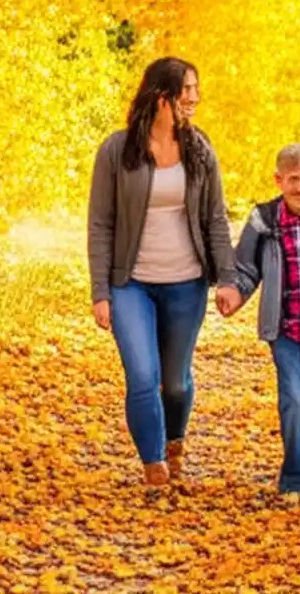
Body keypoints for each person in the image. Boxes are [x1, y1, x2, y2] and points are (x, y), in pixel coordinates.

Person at [87, 56, 241, 487]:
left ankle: (175, 442)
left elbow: (215, 219)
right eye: (185, 89)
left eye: (195, 88)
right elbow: (101, 223)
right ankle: (153, 466)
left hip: (185, 283)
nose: (194, 98)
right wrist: (101, 290)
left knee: (174, 382)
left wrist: (226, 278)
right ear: (160, 96)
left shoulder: (200, 149)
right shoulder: (117, 151)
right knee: (142, 376)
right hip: (130, 284)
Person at [224, 144, 300, 503]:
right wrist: (235, 292)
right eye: (293, 180)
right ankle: (293, 478)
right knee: (292, 398)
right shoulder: (264, 220)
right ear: (279, 180)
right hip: (285, 328)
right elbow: (246, 267)